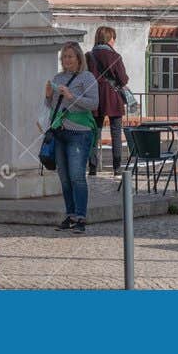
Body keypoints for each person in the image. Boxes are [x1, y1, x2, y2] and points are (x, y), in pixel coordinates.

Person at [45, 41, 99, 233]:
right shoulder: (58, 77)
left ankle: (81, 217)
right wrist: (48, 95)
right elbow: (51, 105)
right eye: (64, 57)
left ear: (78, 58)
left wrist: (71, 96)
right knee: (64, 177)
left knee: (77, 175)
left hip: (79, 132)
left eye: (70, 56)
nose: (66, 60)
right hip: (59, 131)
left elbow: (94, 104)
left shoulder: (87, 77)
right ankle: (70, 215)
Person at [86, 26, 130, 176]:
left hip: (94, 98)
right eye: (113, 38)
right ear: (110, 39)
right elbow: (123, 79)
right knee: (116, 134)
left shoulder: (88, 56)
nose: (114, 42)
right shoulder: (115, 56)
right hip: (113, 98)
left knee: (94, 133)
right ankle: (117, 168)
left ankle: (92, 168)